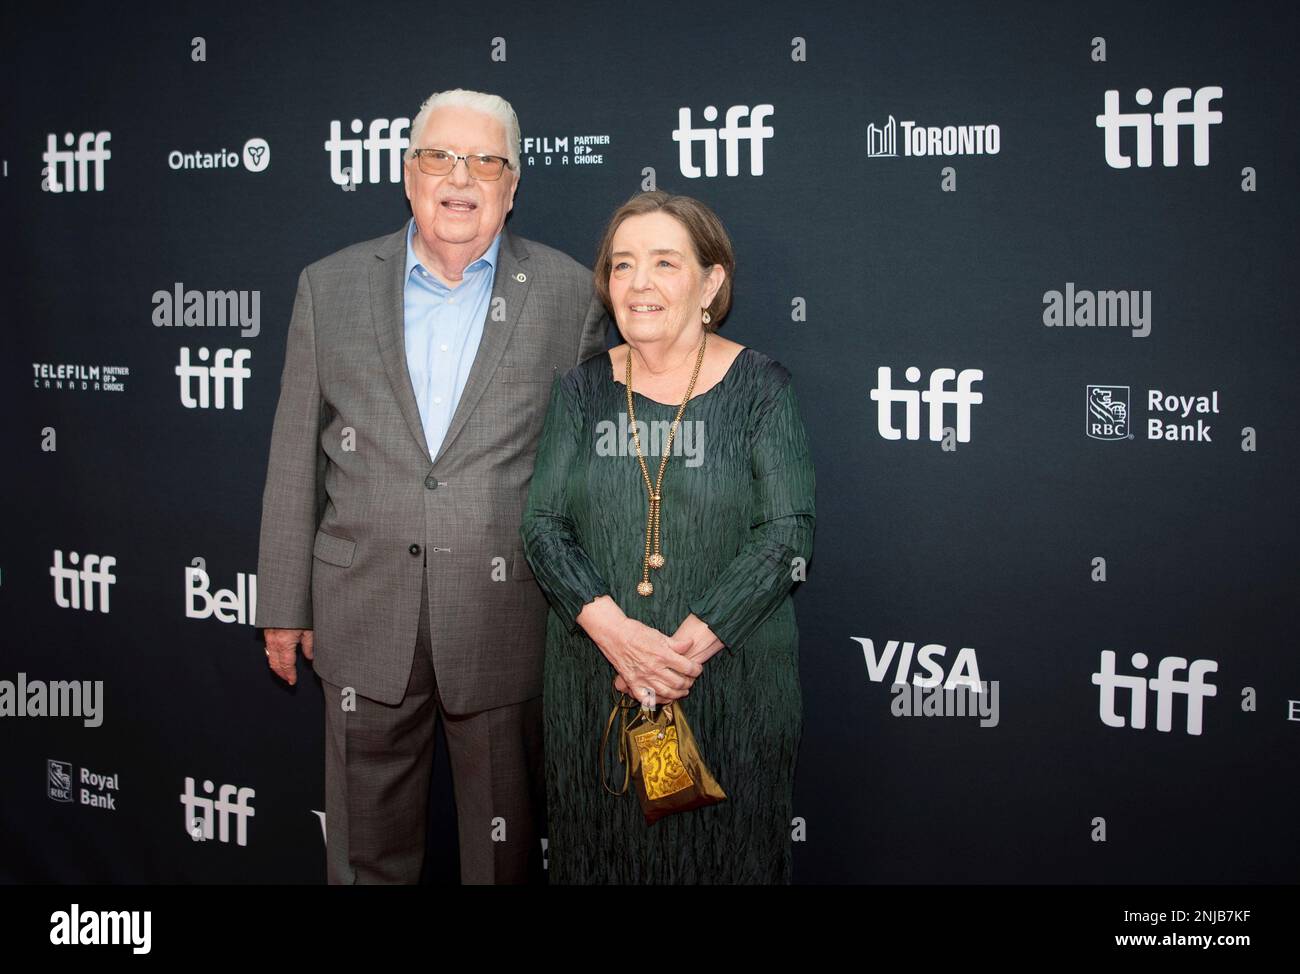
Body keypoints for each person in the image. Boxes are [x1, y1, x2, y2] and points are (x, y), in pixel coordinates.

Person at [256, 88, 608, 884]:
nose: (462, 176)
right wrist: (282, 605)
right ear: (408, 173)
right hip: (360, 614)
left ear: (513, 187)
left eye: (487, 161)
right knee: (363, 858)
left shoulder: (570, 295)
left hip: (504, 622)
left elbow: (589, 474)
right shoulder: (329, 286)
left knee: (502, 861)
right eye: (440, 157)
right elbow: (292, 457)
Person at [520, 191, 816, 883]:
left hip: (727, 687)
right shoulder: (581, 391)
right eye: (622, 266)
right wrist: (620, 638)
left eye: (664, 262)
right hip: (596, 683)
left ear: (712, 282)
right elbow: (543, 526)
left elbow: (786, 535)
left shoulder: (763, 388)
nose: (639, 283)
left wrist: (673, 660)